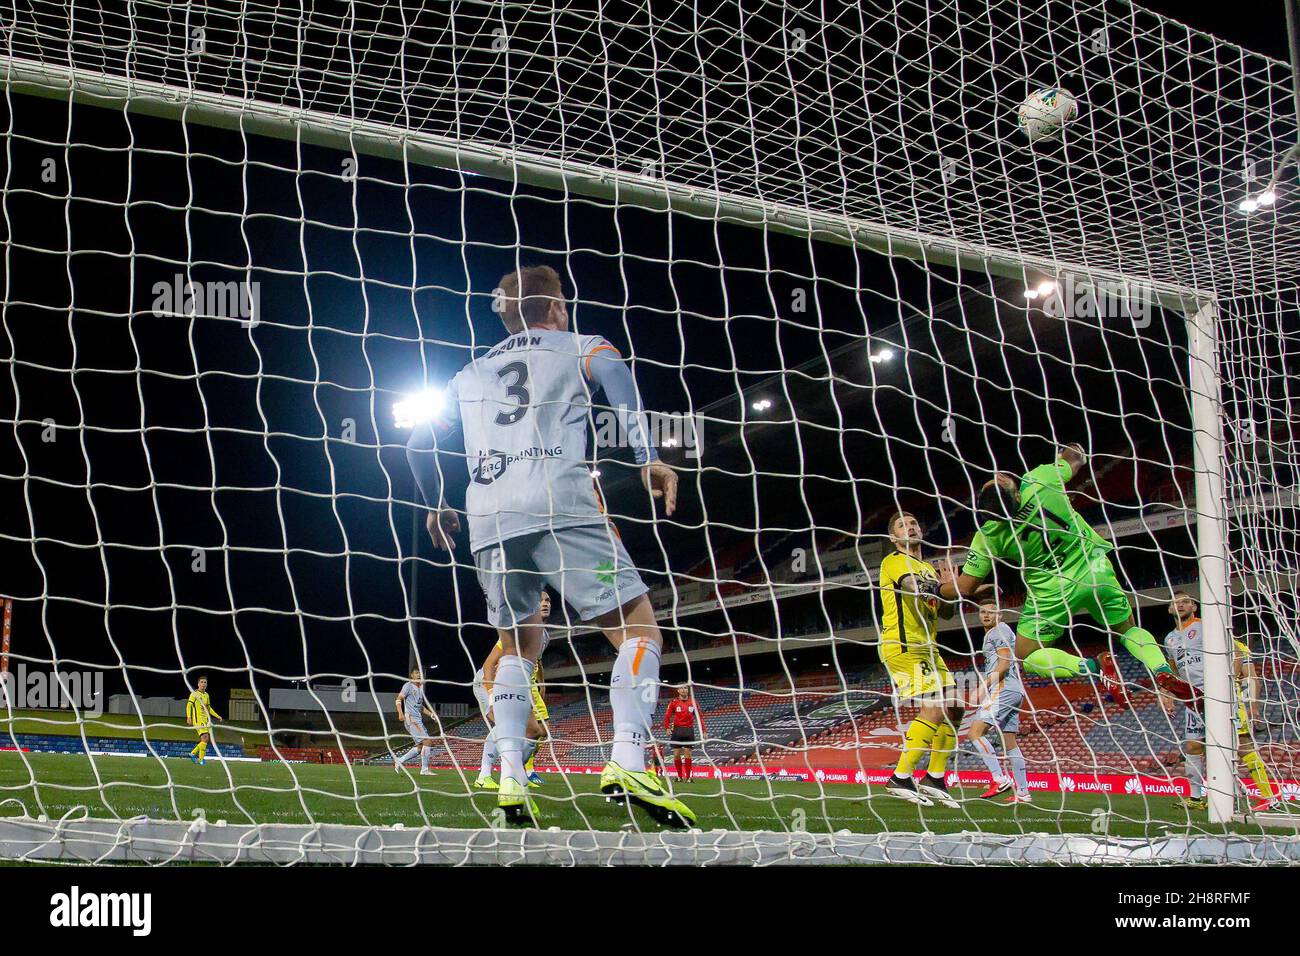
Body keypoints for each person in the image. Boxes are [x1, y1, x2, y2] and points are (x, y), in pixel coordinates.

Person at [406, 264, 694, 829]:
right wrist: (646, 457)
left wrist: (436, 503)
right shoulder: (581, 345)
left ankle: (510, 776)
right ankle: (630, 761)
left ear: (509, 313)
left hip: (487, 514)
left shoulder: (469, 373)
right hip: (558, 499)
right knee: (639, 630)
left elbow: (418, 443)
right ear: (556, 306)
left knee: (516, 648)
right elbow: (618, 380)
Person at [940, 445, 1193, 707]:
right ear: (1011, 489)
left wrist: (938, 588)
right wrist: (1074, 451)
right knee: (1127, 630)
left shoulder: (988, 536)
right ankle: (1161, 668)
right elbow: (1072, 460)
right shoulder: (1041, 479)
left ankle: (1093, 667)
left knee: (1027, 655)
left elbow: (966, 587)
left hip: (1051, 593)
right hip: (1094, 571)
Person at [1161, 592, 1277, 813]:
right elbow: (1174, 669)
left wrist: (1227, 685)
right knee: (1193, 746)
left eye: (1185, 601)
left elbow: (1236, 654)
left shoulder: (1207, 625)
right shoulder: (1170, 639)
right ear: (1169, 610)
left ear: (1194, 606)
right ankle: (1196, 798)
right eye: (1175, 603)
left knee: (1242, 744)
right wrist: (1170, 692)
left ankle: (1270, 796)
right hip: (1193, 699)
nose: (1180, 605)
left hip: (1217, 694)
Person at [878, 511, 963, 808]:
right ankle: (900, 777)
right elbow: (913, 587)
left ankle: (934, 778)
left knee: (955, 708)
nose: (910, 526)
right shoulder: (894, 561)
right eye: (902, 524)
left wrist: (953, 591)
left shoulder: (929, 567)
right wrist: (951, 588)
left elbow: (947, 612)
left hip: (929, 648)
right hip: (903, 645)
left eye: (914, 522)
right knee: (936, 706)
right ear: (893, 537)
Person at [472, 590, 554, 790]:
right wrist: (491, 696)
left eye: (548, 600)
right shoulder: (521, 629)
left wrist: (541, 684)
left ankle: (515, 774)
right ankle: (485, 775)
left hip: (517, 684)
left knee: (536, 731)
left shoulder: (544, 635)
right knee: (504, 726)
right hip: (488, 682)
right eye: (539, 600)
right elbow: (489, 664)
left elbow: (537, 661)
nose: (545, 603)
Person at [966, 600, 1031, 804]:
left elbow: (1003, 665)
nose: (986, 615)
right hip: (1015, 690)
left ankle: (999, 779)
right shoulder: (996, 632)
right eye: (982, 612)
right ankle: (1023, 792)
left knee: (975, 732)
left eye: (991, 612)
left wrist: (982, 687)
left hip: (1004, 688)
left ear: (1000, 615)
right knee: (1009, 742)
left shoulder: (998, 631)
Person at [394, 668, 438, 776]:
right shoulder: (408, 686)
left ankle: (399, 760)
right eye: (416, 673)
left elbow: (420, 707)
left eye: (420, 673)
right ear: (412, 675)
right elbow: (398, 699)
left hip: (418, 719)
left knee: (419, 747)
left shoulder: (421, 688)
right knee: (427, 741)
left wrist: (431, 714)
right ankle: (424, 770)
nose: (419, 675)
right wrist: (400, 713)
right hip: (411, 719)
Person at [662, 685, 705, 782]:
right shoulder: (673, 703)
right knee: (676, 754)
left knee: (688, 754)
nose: (683, 690)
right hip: (677, 731)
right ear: (678, 690)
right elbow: (667, 716)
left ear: (688, 690)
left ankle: (689, 777)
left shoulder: (693, 702)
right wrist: (667, 728)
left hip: (689, 730)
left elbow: (700, 717)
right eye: (681, 688)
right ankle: (679, 776)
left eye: (685, 688)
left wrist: (704, 731)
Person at [186, 675, 222, 766]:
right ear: (198, 684)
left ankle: (193, 754)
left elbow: (208, 708)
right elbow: (189, 705)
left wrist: (217, 716)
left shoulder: (206, 695)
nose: (203, 684)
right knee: (205, 737)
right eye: (201, 682)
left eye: (205, 682)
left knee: (205, 739)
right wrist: (189, 717)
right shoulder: (194, 693)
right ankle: (201, 759)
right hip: (198, 720)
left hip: (205, 720)